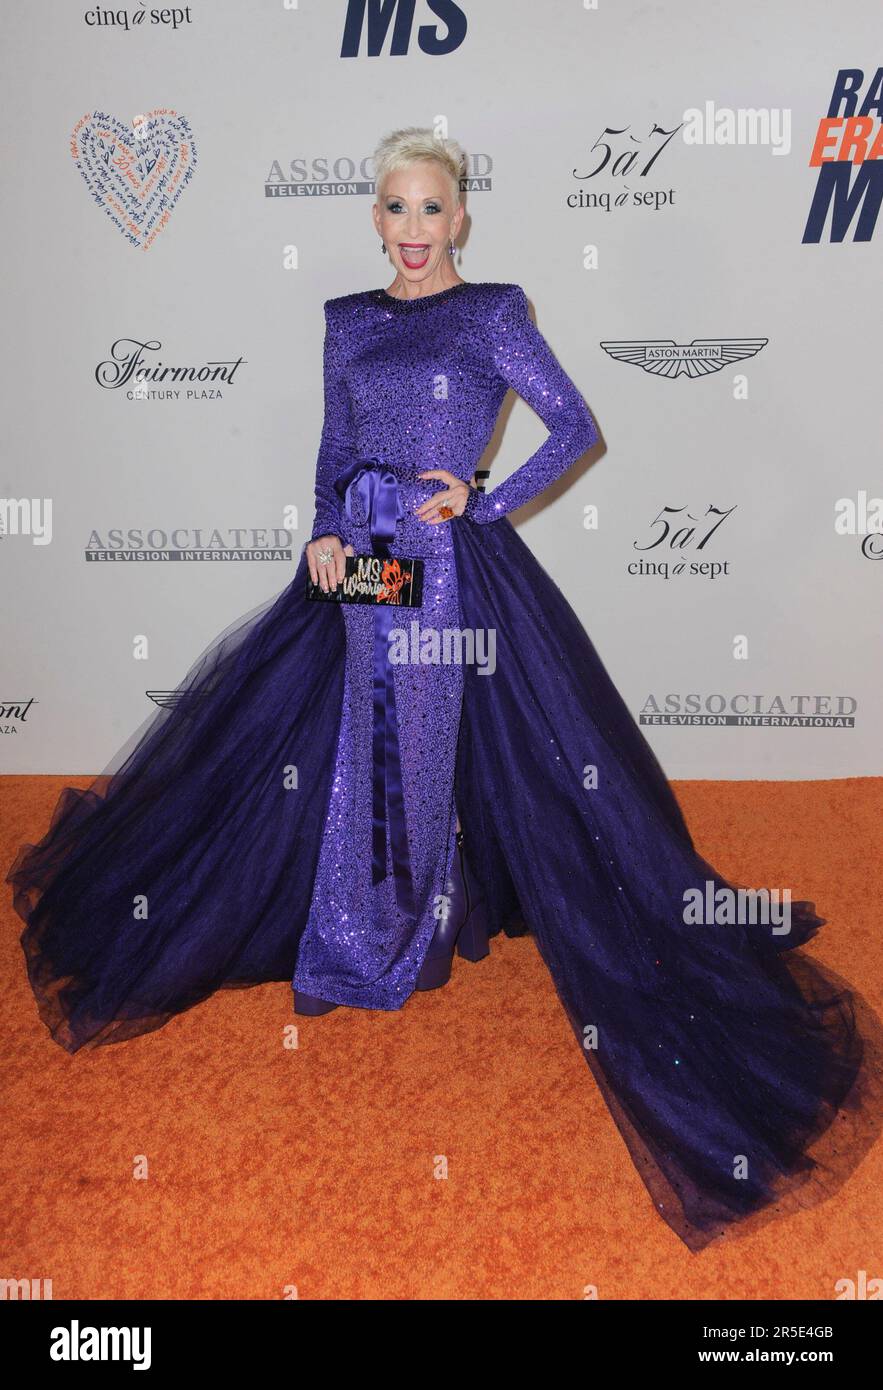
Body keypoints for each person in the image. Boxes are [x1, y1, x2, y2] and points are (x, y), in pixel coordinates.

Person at [7, 127, 880, 1253]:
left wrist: (478, 498)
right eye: (393, 208)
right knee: (336, 738)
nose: (411, 230)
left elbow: (574, 424)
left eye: (430, 210)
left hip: (435, 569)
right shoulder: (345, 320)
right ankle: (353, 917)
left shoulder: (493, 311)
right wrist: (322, 529)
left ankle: (385, 939)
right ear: (373, 216)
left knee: (411, 745)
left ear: (459, 219)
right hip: (357, 557)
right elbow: (333, 442)